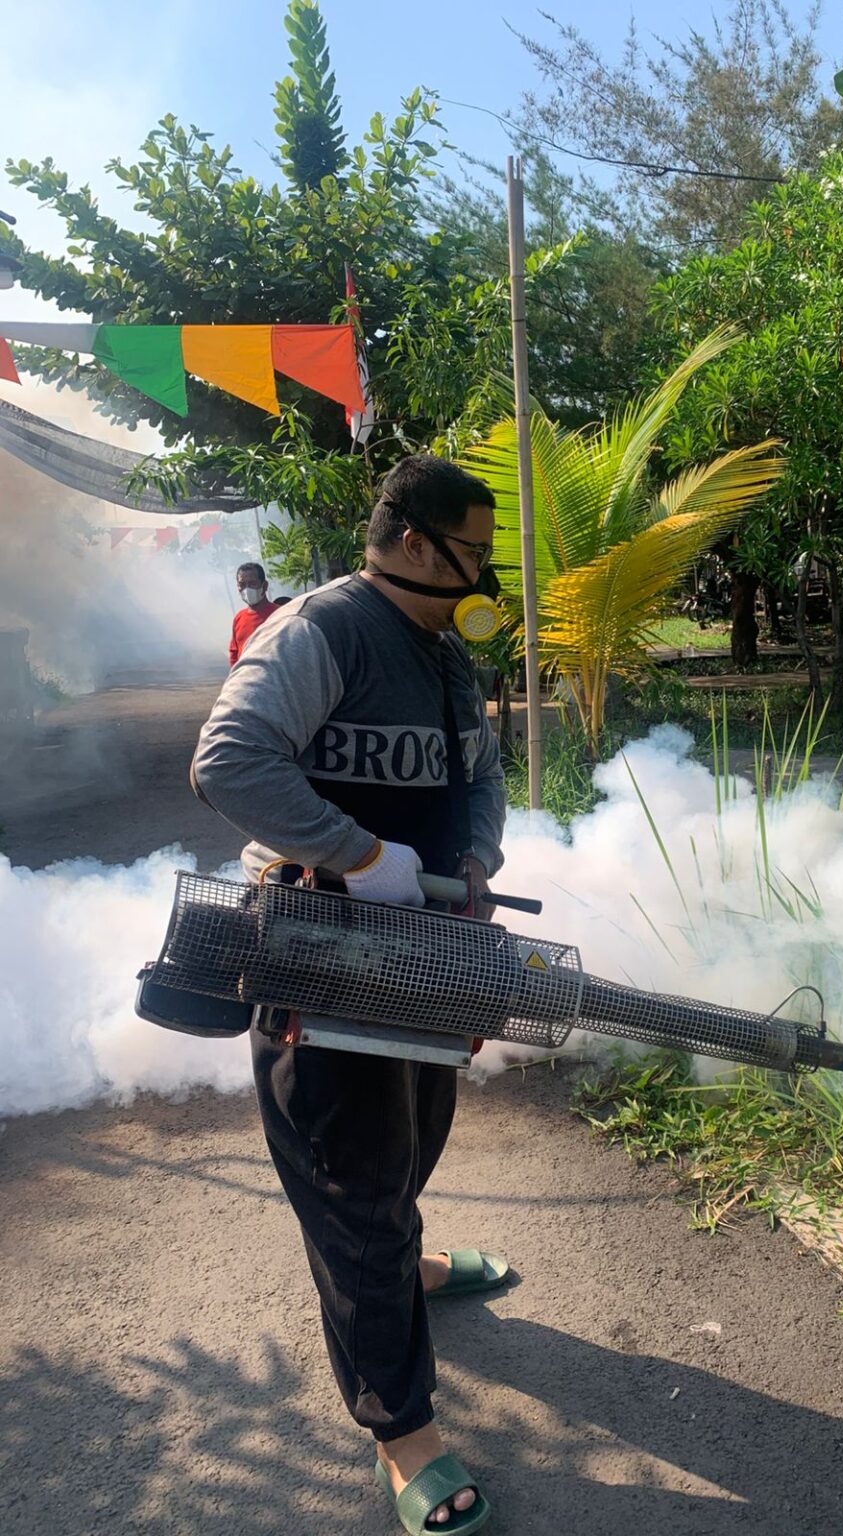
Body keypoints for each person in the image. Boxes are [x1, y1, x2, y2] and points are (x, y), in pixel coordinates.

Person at [192, 456, 506, 1534]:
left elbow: (483, 769)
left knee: (415, 1131)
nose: (488, 569)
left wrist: (473, 862)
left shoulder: (443, 652)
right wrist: (357, 852)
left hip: (424, 951)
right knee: (349, 1182)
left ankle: (405, 1260)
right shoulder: (321, 632)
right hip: (323, 954)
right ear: (413, 542)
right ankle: (402, 1429)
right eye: (475, 547)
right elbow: (229, 762)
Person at [228, 562, 278, 666]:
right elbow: (234, 653)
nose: (247, 589)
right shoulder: (239, 618)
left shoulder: (280, 614)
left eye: (252, 583)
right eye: (242, 584)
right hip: (246, 679)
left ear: (264, 586)